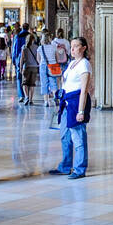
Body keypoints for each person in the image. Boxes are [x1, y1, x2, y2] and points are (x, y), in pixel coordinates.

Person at [50, 36, 93, 178]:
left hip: (76, 103)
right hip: (66, 102)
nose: (72, 49)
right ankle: (65, 165)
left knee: (78, 137)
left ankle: (80, 168)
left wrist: (81, 111)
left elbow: (84, 90)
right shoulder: (72, 63)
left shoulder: (84, 64)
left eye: (75, 46)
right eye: (72, 46)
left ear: (83, 48)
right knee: (65, 136)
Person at [37, 32, 61, 106]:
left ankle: (46, 101)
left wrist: (41, 64)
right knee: (53, 82)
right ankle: (55, 97)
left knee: (44, 83)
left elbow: (38, 59)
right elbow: (57, 58)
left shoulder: (40, 48)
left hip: (43, 66)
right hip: (53, 65)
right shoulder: (54, 47)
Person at [19, 32, 40, 104]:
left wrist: (21, 67)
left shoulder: (24, 47)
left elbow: (22, 59)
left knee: (24, 83)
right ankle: (31, 100)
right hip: (34, 67)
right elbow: (38, 58)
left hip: (26, 67)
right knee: (32, 84)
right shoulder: (37, 47)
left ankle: (26, 97)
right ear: (33, 39)